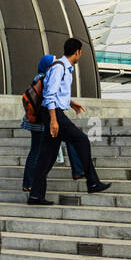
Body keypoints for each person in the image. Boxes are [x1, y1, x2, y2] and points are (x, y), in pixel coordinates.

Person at [28, 38, 110, 205]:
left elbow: (57, 91)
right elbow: (50, 94)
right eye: (81, 53)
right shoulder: (60, 67)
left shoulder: (63, 67)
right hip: (53, 113)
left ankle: (36, 196)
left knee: (47, 157)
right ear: (77, 52)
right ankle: (92, 182)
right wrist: (53, 120)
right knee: (81, 140)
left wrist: (71, 103)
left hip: (54, 112)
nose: (81, 55)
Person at [21, 55, 84, 192]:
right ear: (49, 65)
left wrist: (71, 103)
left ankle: (28, 183)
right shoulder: (47, 77)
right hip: (45, 120)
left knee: (35, 151)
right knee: (72, 138)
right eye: (54, 61)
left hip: (34, 121)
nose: (57, 63)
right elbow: (51, 95)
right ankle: (78, 170)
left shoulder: (38, 78)